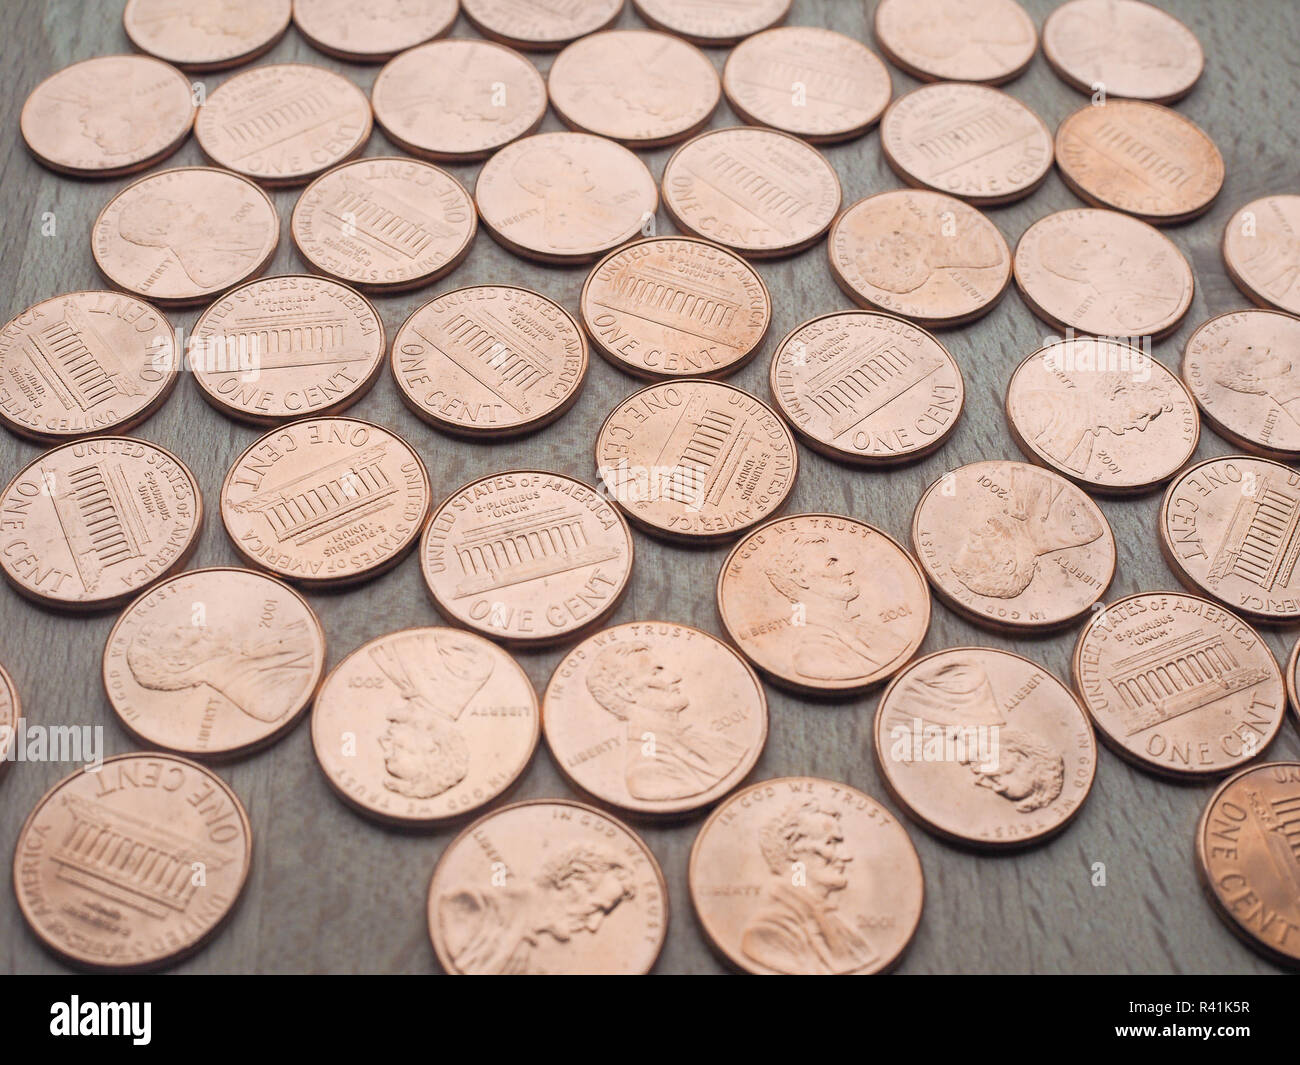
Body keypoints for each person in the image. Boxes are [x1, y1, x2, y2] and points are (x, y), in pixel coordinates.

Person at [585, 641, 748, 801]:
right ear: (625, 690)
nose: (676, 678)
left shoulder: (706, 738)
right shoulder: (648, 774)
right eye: (656, 672)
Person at [438, 846, 636, 974]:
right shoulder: (471, 905)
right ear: (569, 882)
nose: (594, 925)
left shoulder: (534, 952)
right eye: (596, 908)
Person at [742, 799, 876, 975]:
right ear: (793, 849)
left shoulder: (837, 923)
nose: (846, 856)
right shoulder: (769, 931)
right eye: (831, 843)